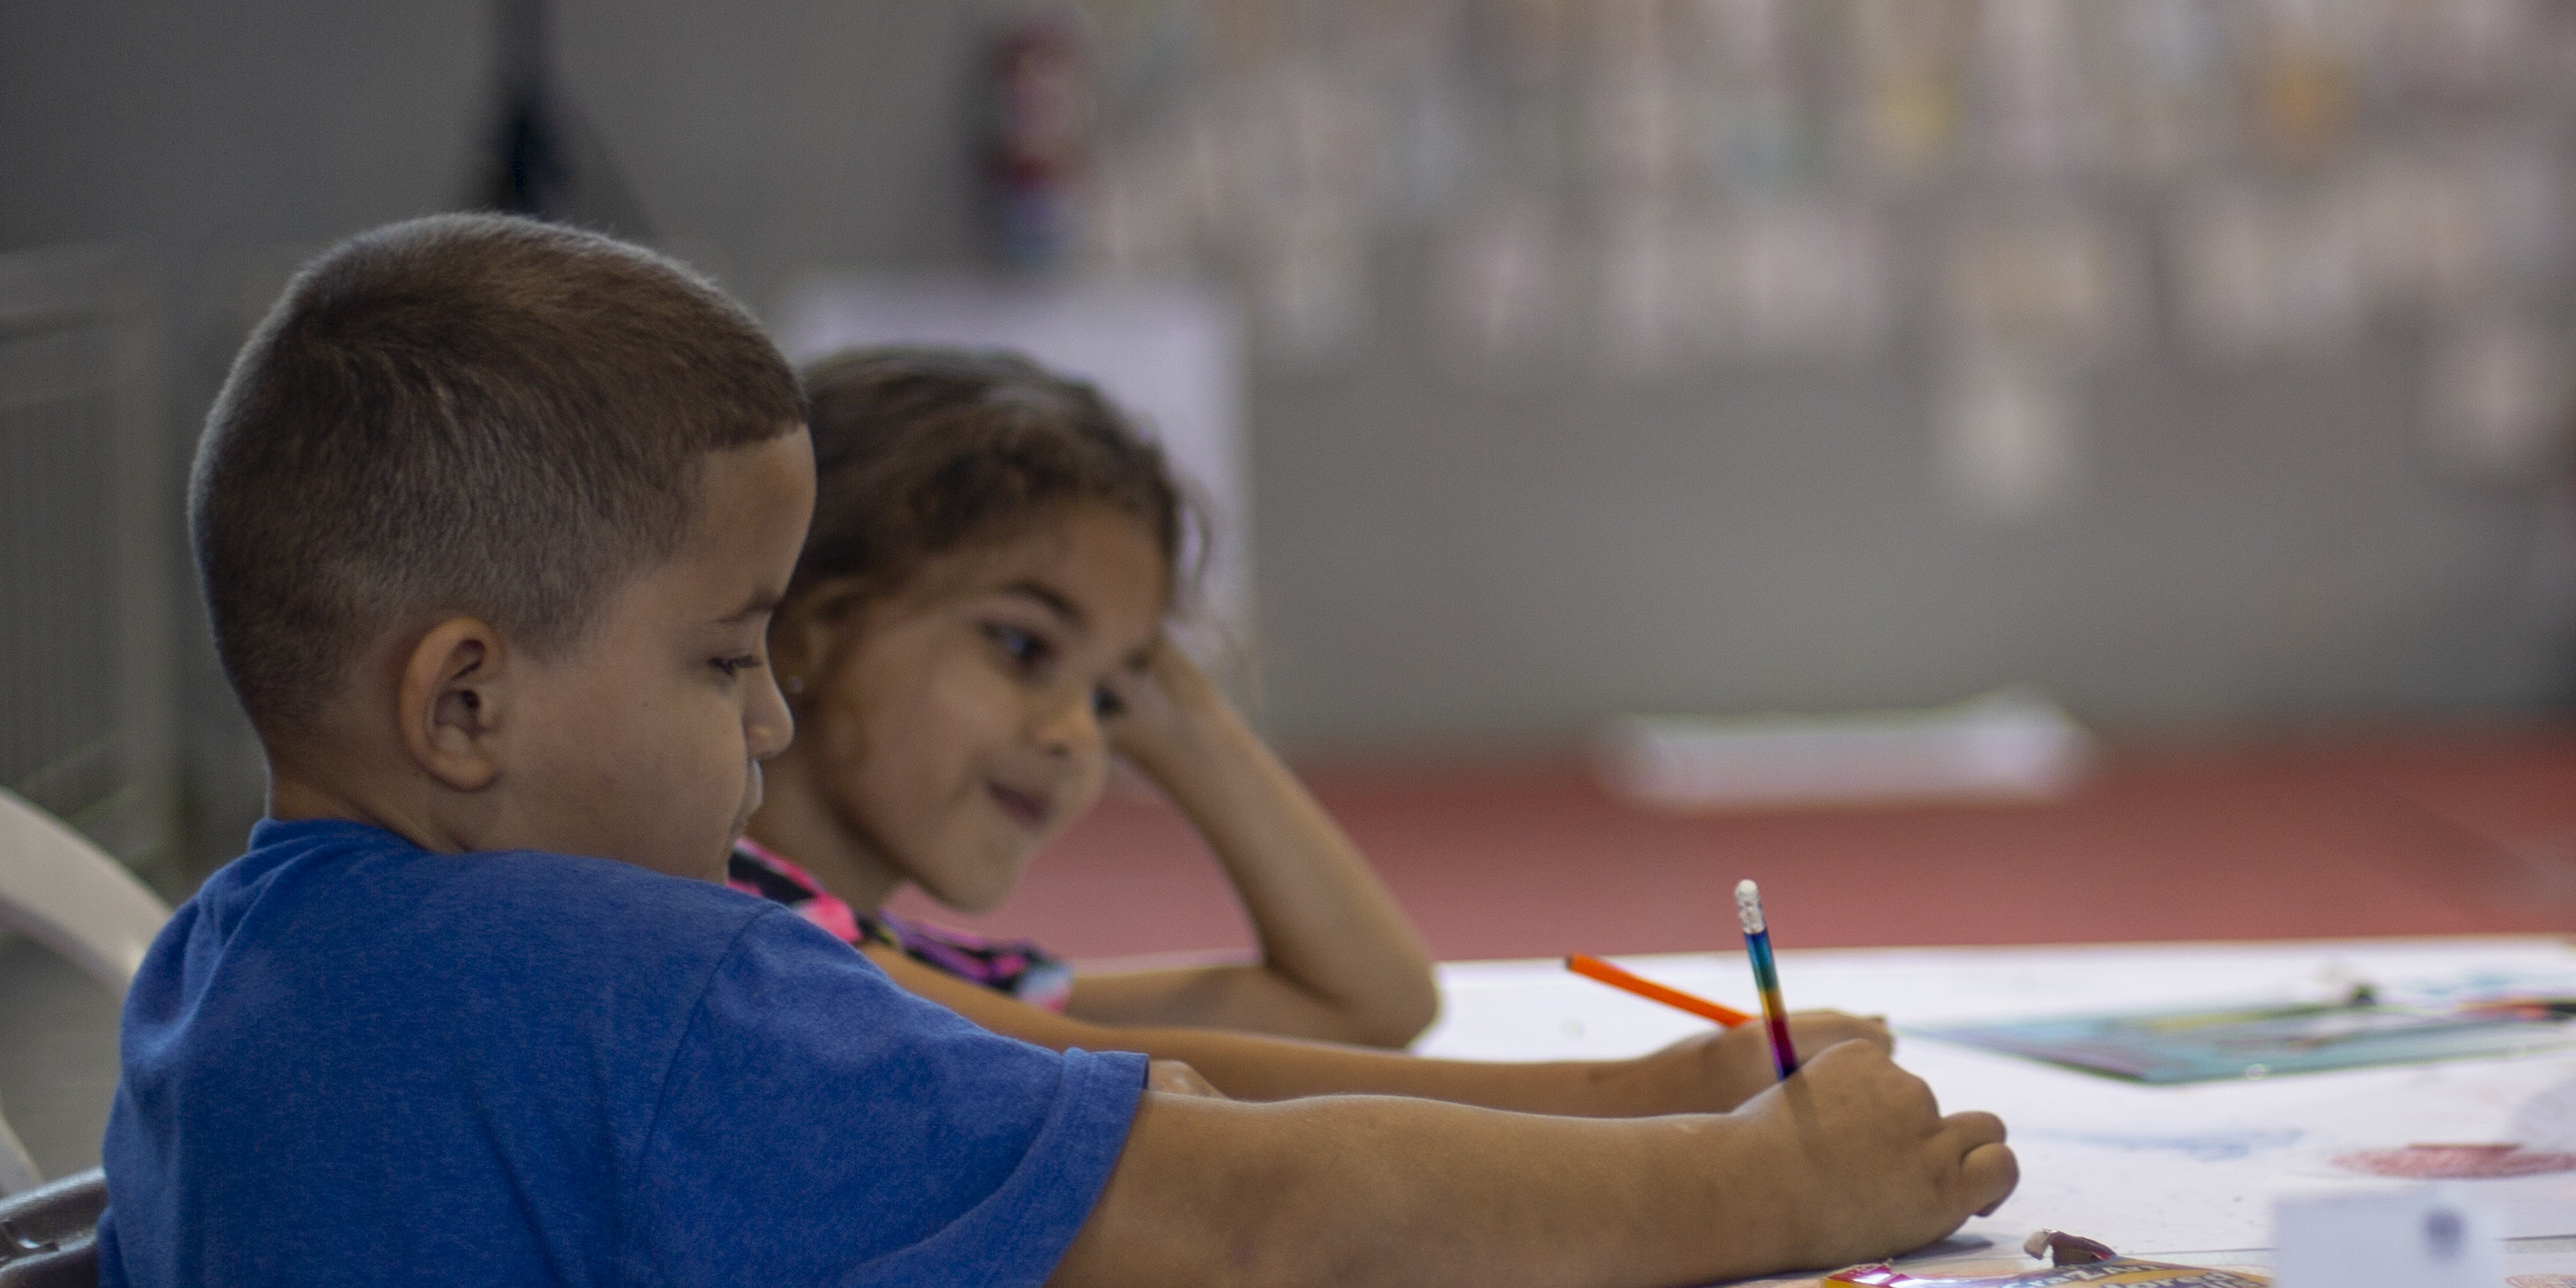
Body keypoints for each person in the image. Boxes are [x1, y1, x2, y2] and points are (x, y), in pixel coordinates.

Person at [104, 216, 2012, 1288]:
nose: (768, 720)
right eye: (721, 659)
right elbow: (1250, 1233)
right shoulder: (624, 983)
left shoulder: (219, 973)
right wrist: (1765, 1189)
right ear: (462, 700)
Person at [731, 343, 1860, 1112]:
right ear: (814, 630)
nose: (1081, 735)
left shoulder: (909, 960)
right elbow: (1101, 1079)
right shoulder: (749, 934)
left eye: (1113, 688)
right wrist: (1662, 1094)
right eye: (1025, 647)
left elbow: (1366, 1003)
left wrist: (1190, 723)